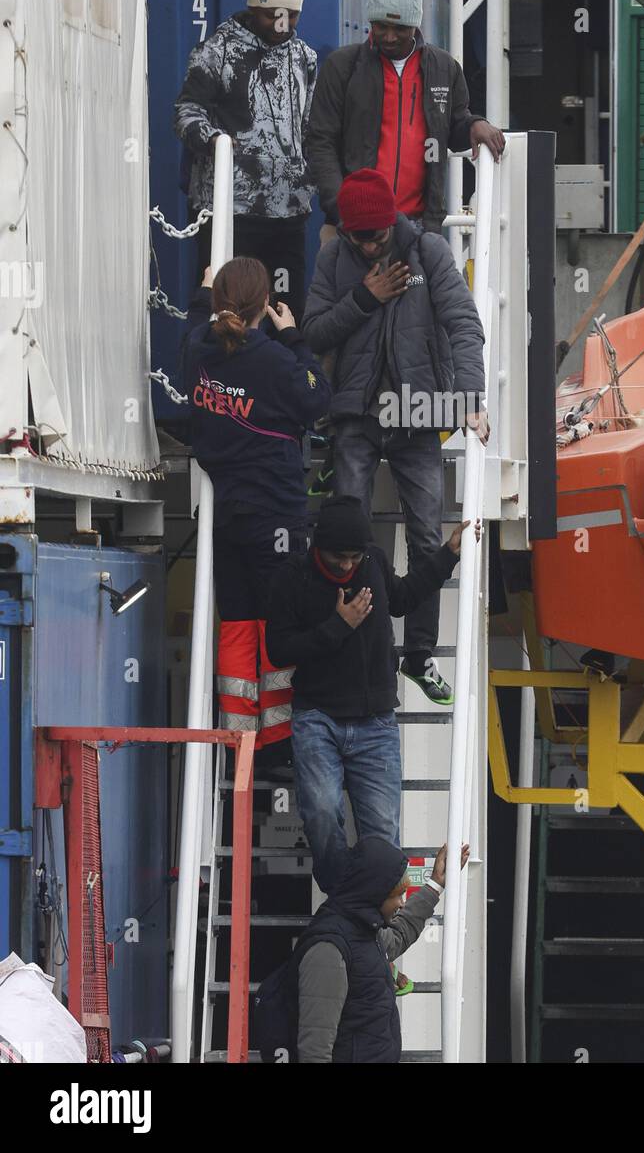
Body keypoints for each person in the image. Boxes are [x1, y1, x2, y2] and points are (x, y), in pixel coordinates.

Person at [301, 169, 488, 704]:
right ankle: (354, 643)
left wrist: (470, 398)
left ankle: (419, 655)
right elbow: (313, 332)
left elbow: (464, 323)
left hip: (420, 414)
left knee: (428, 537)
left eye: (376, 234)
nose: (369, 243)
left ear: (390, 221)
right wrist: (364, 297)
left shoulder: (428, 251)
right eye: (359, 235)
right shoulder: (335, 259)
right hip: (356, 415)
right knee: (347, 538)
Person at [265, 495, 479, 891]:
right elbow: (278, 650)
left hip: (376, 721)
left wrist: (449, 554)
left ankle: (372, 912)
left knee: (382, 836)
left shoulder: (374, 562)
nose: (347, 565)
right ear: (318, 547)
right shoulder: (292, 577)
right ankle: (342, 897)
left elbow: (405, 597)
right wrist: (338, 626)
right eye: (338, 558)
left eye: (354, 557)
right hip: (318, 718)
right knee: (322, 815)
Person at [182, 257, 331, 770]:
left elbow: (190, 337)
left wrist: (203, 297)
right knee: (279, 625)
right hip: (275, 514)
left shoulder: (201, 347)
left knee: (239, 624)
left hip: (225, 512)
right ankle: (281, 741)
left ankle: (239, 740)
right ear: (266, 304)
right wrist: (292, 336)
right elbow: (318, 398)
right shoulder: (272, 359)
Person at [305, 0, 505, 240]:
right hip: (352, 227)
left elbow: (454, 129)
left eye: (399, 27)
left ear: (416, 24)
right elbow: (320, 142)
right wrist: (343, 209)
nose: (389, 36)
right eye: (380, 26)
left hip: (420, 229)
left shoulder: (444, 68)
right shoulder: (342, 67)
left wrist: (474, 124)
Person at [174, 0, 317, 323]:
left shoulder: (306, 59)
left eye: (292, 15)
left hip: (287, 217)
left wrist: (310, 179)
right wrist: (216, 142)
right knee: (229, 315)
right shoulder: (216, 52)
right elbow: (187, 111)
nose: (283, 24)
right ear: (255, 7)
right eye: (274, 15)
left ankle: (282, 379)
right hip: (231, 215)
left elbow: (311, 129)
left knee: (285, 315)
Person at [255, 837, 469, 1063]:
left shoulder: (364, 929)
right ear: (374, 893)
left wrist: (435, 884)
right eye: (397, 895)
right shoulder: (328, 950)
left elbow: (398, 935)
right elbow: (315, 1052)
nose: (401, 903)